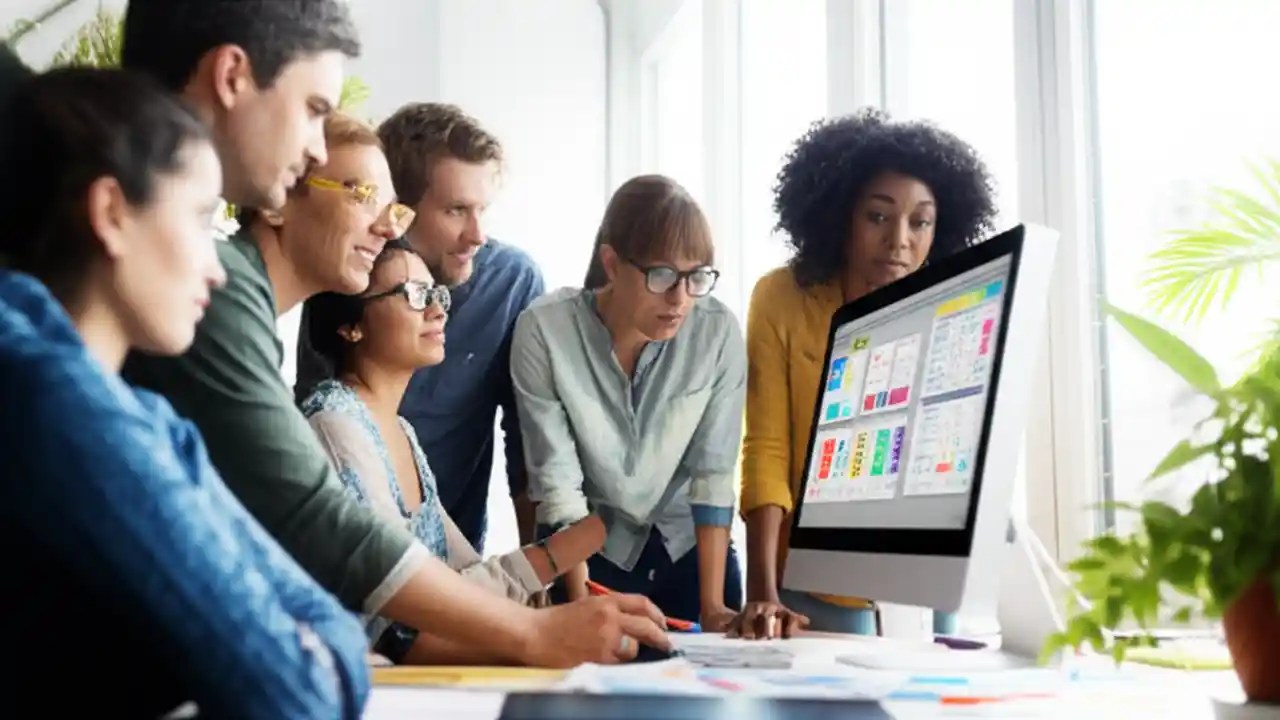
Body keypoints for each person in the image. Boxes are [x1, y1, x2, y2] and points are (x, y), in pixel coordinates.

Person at [119, 2, 668, 667]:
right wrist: (531, 634)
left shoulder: (267, 323)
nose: (386, 227)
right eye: (315, 112)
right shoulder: (235, 308)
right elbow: (328, 532)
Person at [0, 67, 369, 719]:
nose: (214, 269)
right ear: (112, 212)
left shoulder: (146, 418)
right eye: (201, 220)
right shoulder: (52, 401)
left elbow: (327, 618)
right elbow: (296, 700)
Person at [734, 108, 998, 639]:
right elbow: (767, 450)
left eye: (920, 222)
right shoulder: (782, 299)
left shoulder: (955, 308)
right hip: (810, 587)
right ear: (841, 216)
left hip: (926, 582)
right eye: (878, 217)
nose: (899, 239)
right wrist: (761, 593)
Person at [299, 239, 606, 646]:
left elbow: (457, 581)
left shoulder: (399, 429)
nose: (438, 309)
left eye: (437, 293)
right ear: (350, 325)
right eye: (414, 295)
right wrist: (567, 547)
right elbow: (396, 611)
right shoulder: (336, 424)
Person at [298, 102, 545, 553]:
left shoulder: (511, 282)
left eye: (482, 210)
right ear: (398, 208)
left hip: (457, 555)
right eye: (456, 210)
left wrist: (539, 589)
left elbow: (528, 443)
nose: (478, 235)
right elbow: (320, 435)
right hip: (359, 560)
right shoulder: (347, 279)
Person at [513, 174, 746, 630]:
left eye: (696, 276)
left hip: (690, 553)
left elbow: (714, 474)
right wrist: (578, 609)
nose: (680, 299)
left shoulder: (717, 331)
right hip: (591, 554)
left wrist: (714, 607)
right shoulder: (545, 331)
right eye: (661, 275)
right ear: (613, 264)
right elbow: (558, 486)